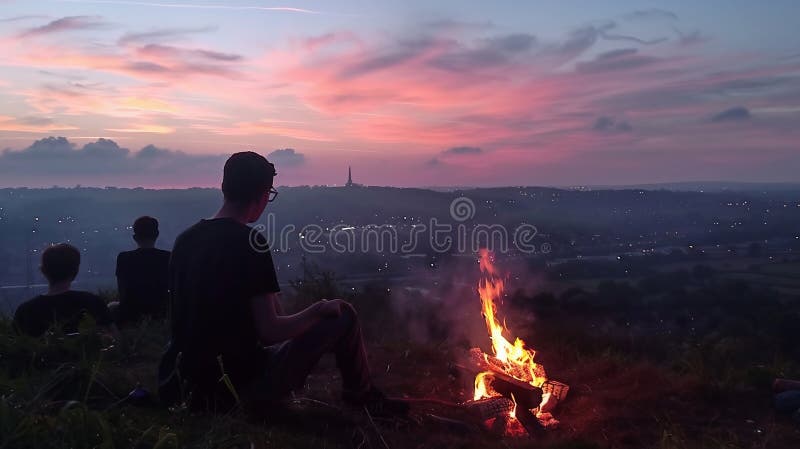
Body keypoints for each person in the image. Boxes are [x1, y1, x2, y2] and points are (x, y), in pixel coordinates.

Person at [158, 152, 407, 416]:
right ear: (263, 195)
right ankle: (362, 396)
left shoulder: (185, 240)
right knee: (343, 314)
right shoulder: (248, 243)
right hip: (234, 389)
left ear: (224, 187)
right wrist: (319, 309)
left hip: (180, 385)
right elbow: (270, 331)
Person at [14, 243, 112, 337]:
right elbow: (115, 340)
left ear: (43, 271)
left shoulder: (25, 311)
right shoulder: (92, 302)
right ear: (75, 270)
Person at [113, 216, 170, 323]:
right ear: (157, 235)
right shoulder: (167, 257)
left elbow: (122, 293)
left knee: (111, 307)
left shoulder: (124, 258)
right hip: (161, 313)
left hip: (131, 314)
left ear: (135, 237)